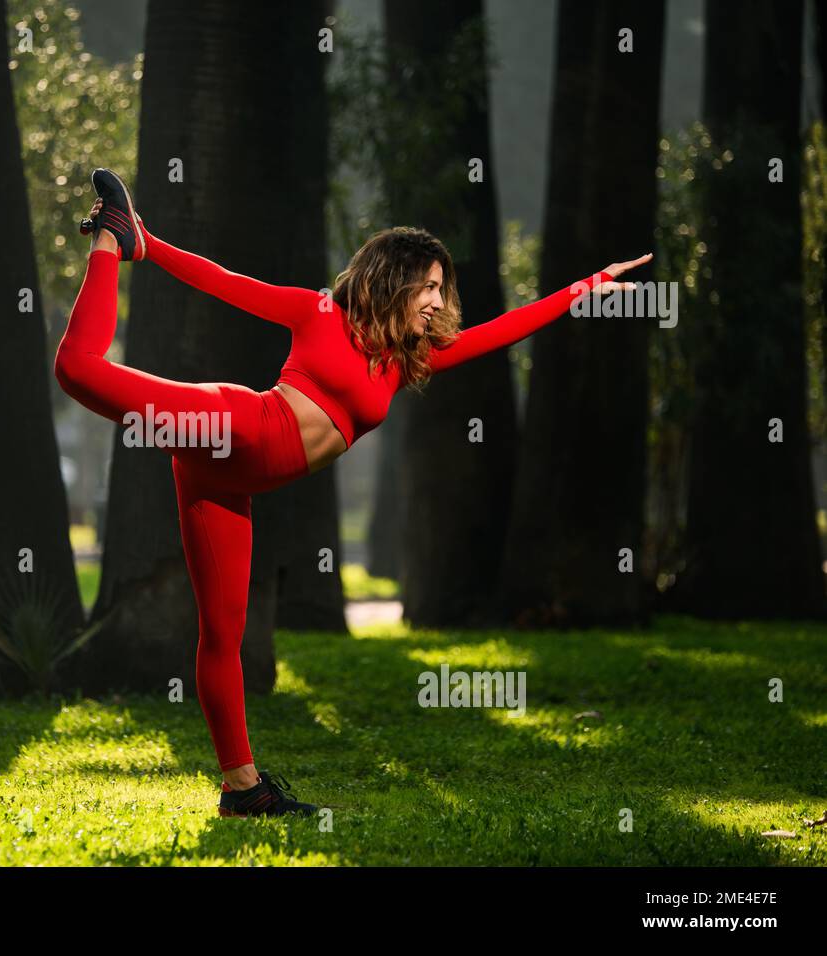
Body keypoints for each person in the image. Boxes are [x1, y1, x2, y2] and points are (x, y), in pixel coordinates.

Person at [54, 168, 650, 817]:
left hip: (223, 481)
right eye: (428, 286)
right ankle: (111, 241)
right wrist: (147, 244)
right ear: (392, 277)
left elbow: (501, 331)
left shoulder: (404, 363)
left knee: (223, 635)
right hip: (229, 426)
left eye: (441, 290)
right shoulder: (318, 313)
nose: (436, 301)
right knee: (77, 369)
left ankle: (242, 788)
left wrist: (588, 286)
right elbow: (226, 283)